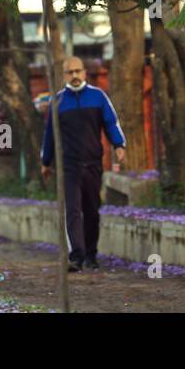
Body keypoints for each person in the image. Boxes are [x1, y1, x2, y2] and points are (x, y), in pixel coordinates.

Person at [41, 57, 126, 273]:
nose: (75, 75)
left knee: (92, 211)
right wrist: (45, 161)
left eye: (78, 71)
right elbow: (50, 134)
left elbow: (111, 122)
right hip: (69, 166)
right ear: (64, 75)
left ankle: (91, 254)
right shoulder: (58, 102)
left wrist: (118, 144)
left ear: (85, 73)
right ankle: (76, 256)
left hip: (93, 164)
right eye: (70, 72)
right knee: (73, 210)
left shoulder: (98, 96)